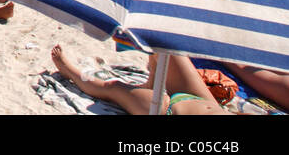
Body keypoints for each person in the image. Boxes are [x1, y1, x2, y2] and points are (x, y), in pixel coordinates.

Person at [49, 46, 226, 115]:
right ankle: (151, 82)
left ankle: (69, 71)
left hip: (166, 110)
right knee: (164, 47)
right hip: (203, 100)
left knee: (113, 87)